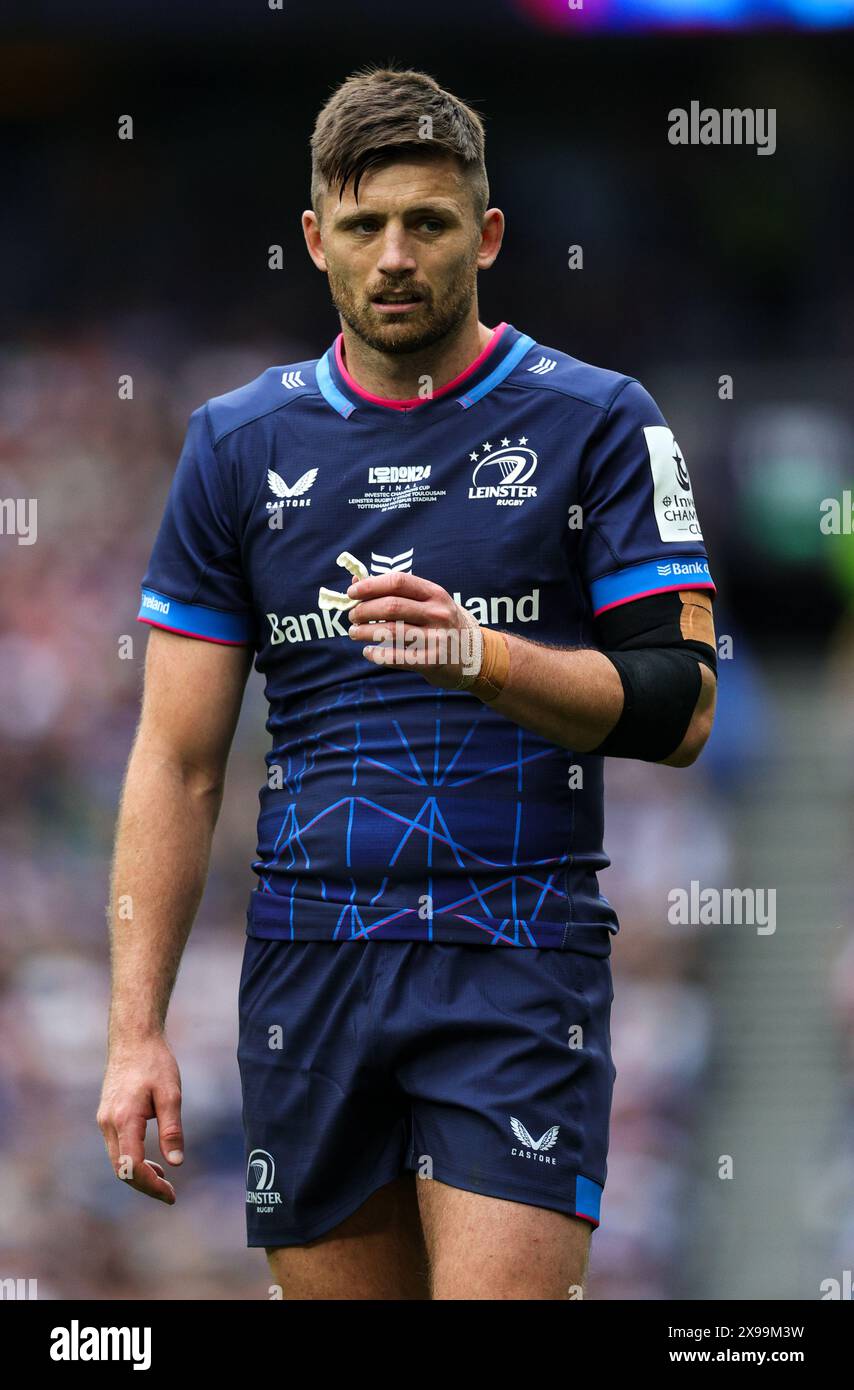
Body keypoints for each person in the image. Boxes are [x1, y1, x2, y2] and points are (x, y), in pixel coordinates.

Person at [98, 64, 718, 1301]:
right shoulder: (237, 442)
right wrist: (134, 1029)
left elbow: (682, 707)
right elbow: (176, 761)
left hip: (515, 952)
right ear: (314, 239)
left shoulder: (600, 420)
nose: (395, 255)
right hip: (306, 968)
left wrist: (485, 658)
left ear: (483, 236)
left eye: (427, 224)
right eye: (365, 224)